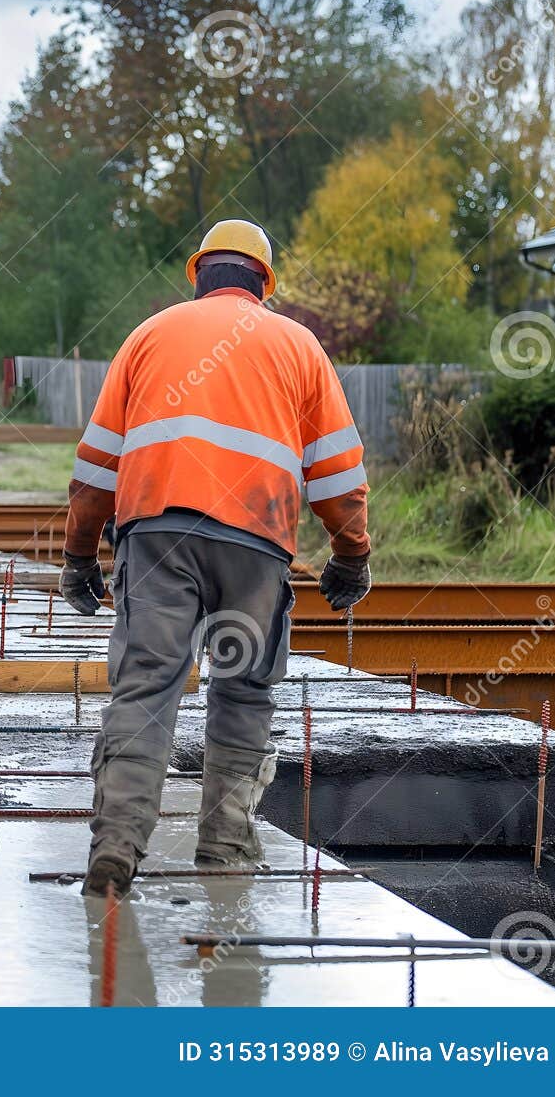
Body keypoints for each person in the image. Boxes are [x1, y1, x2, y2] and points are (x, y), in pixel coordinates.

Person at [58, 219, 371, 896]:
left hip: (157, 534)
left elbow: (94, 472)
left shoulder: (150, 335)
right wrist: (351, 555)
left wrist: (79, 554)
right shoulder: (299, 346)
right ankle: (224, 851)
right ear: (265, 282)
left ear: (198, 274)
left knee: (145, 687)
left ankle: (115, 850)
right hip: (256, 542)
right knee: (243, 689)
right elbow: (339, 476)